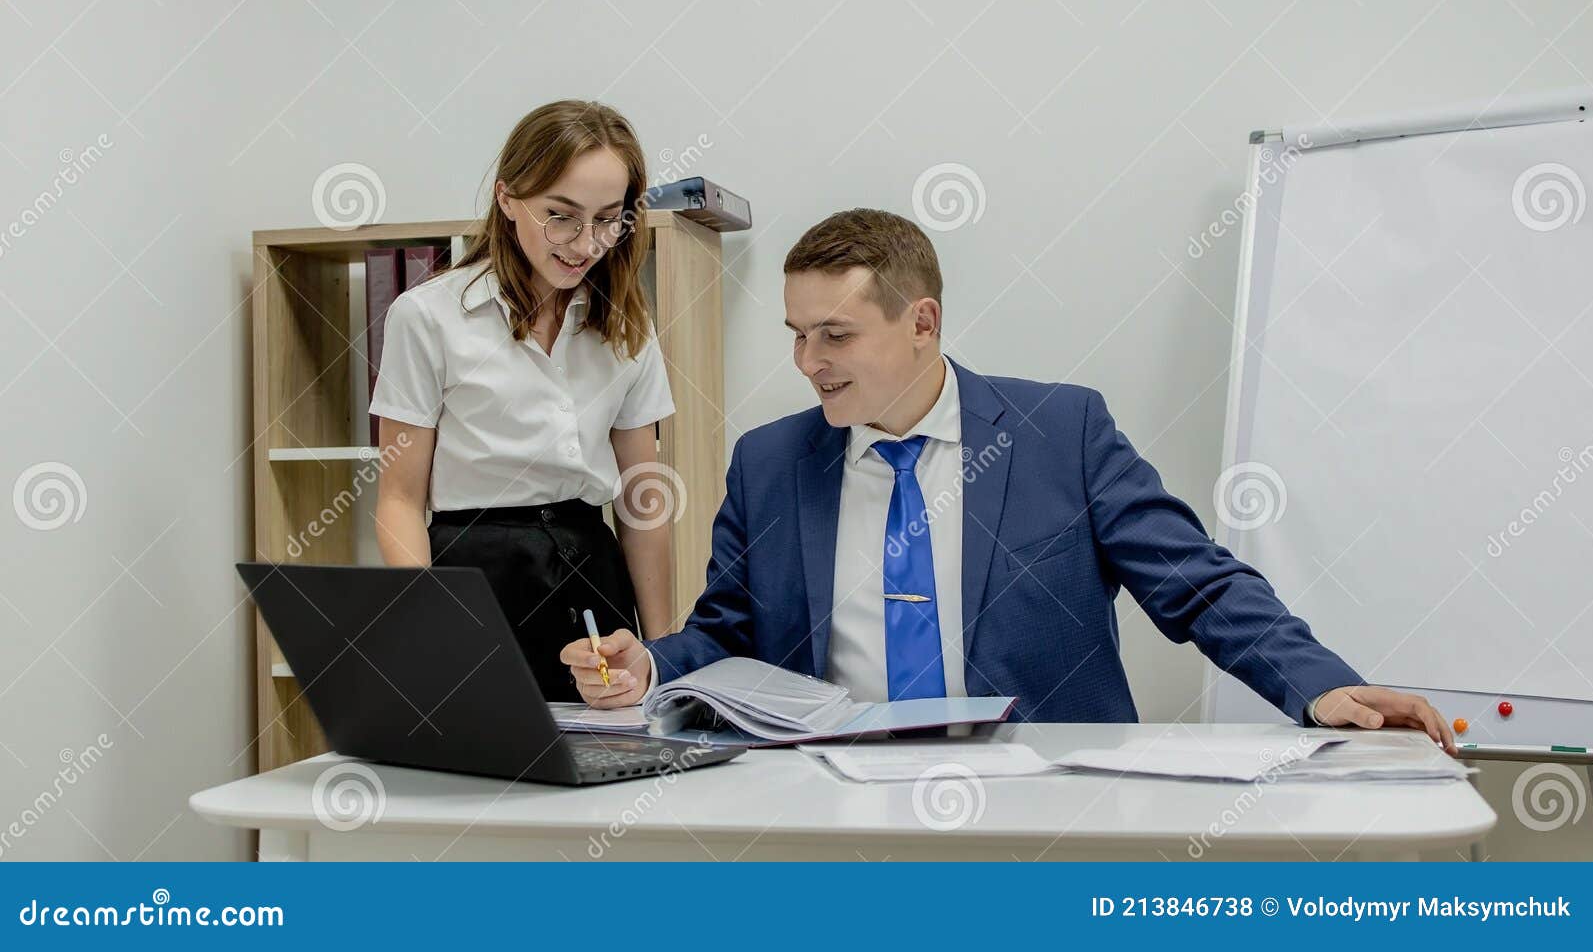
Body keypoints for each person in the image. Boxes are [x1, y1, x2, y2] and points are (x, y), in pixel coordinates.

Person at [560, 208, 1456, 750]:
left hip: (1044, 795)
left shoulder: (1060, 432)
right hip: (831, 796)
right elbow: (728, 632)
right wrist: (652, 665)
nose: (807, 361)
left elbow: (1198, 585)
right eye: (796, 333)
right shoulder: (771, 461)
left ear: (923, 321)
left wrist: (1320, 685)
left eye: (835, 334)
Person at [371, 99, 676, 699]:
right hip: (473, 576)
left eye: (608, 219)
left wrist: (663, 654)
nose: (586, 243)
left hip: (594, 572)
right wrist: (432, 622)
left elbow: (642, 502)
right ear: (508, 198)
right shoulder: (427, 317)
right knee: (484, 770)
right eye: (560, 216)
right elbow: (399, 499)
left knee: (609, 767)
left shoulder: (628, 328)